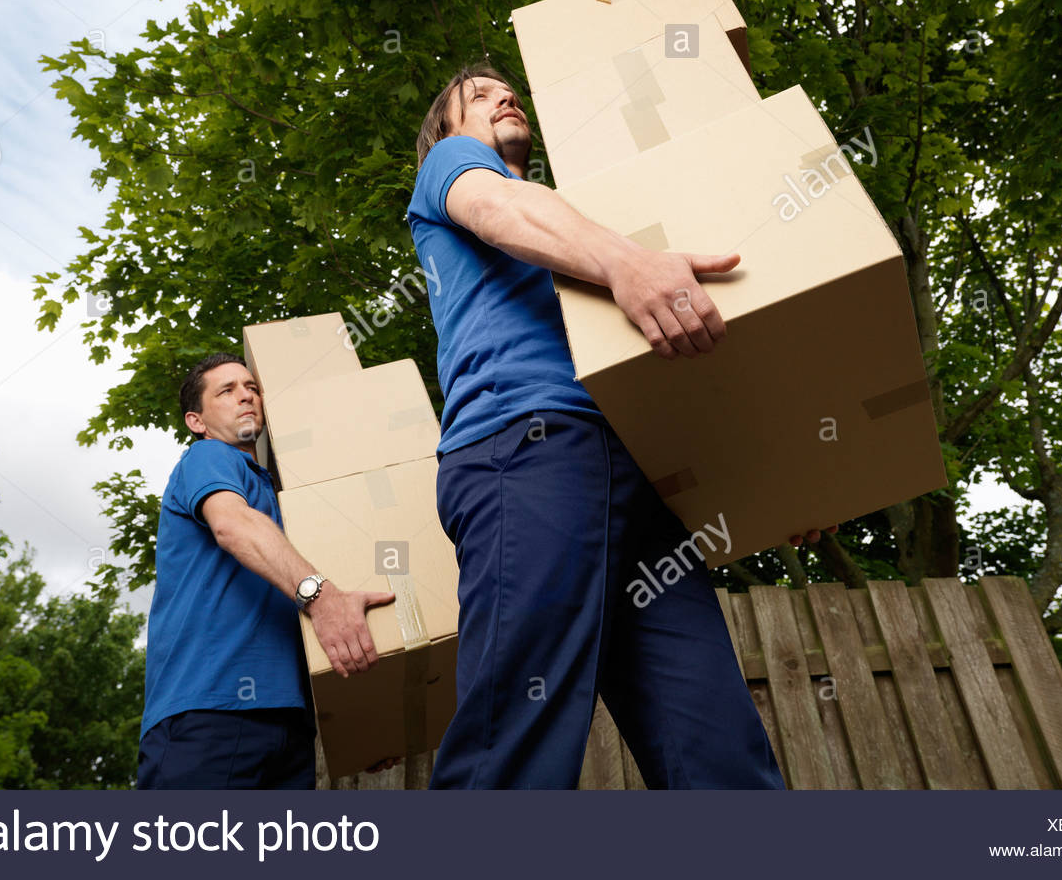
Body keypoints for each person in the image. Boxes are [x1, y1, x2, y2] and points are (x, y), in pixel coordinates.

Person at [408, 63, 833, 789]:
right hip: (526, 448)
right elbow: (495, 208)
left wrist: (778, 480)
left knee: (719, 753)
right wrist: (628, 266)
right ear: (446, 132)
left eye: (508, 90)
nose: (503, 95)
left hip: (640, 479)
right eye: (477, 97)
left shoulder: (583, 216)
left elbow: (683, 371)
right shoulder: (458, 169)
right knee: (517, 739)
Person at [136, 352, 396, 788]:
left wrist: (359, 726)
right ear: (196, 421)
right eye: (228, 390)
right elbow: (232, 526)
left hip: (291, 726)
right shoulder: (209, 458)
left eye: (252, 388)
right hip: (209, 712)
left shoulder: (286, 498)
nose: (246, 396)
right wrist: (324, 597)